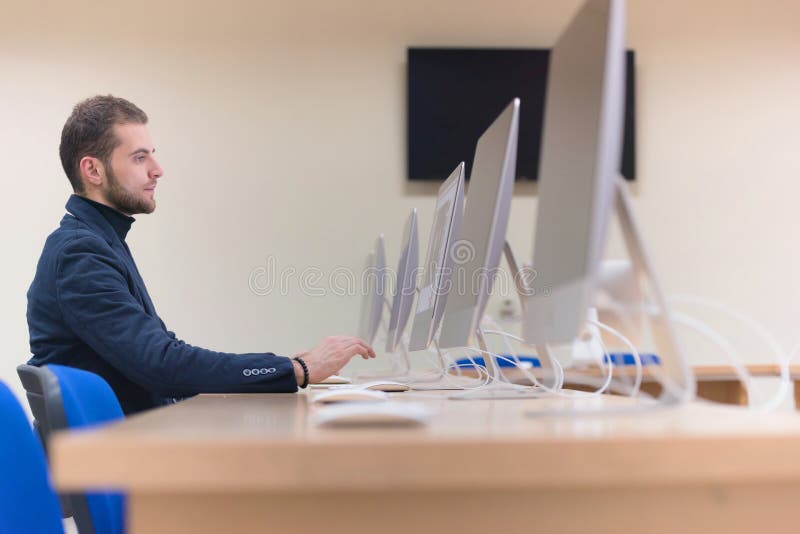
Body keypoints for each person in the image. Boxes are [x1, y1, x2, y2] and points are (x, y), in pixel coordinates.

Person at [26, 95, 375, 415]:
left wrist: (287, 366)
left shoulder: (99, 241)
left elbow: (162, 351)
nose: (157, 169)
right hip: (116, 461)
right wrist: (296, 370)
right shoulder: (80, 253)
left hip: (127, 445)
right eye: (139, 157)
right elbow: (161, 364)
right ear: (93, 170)